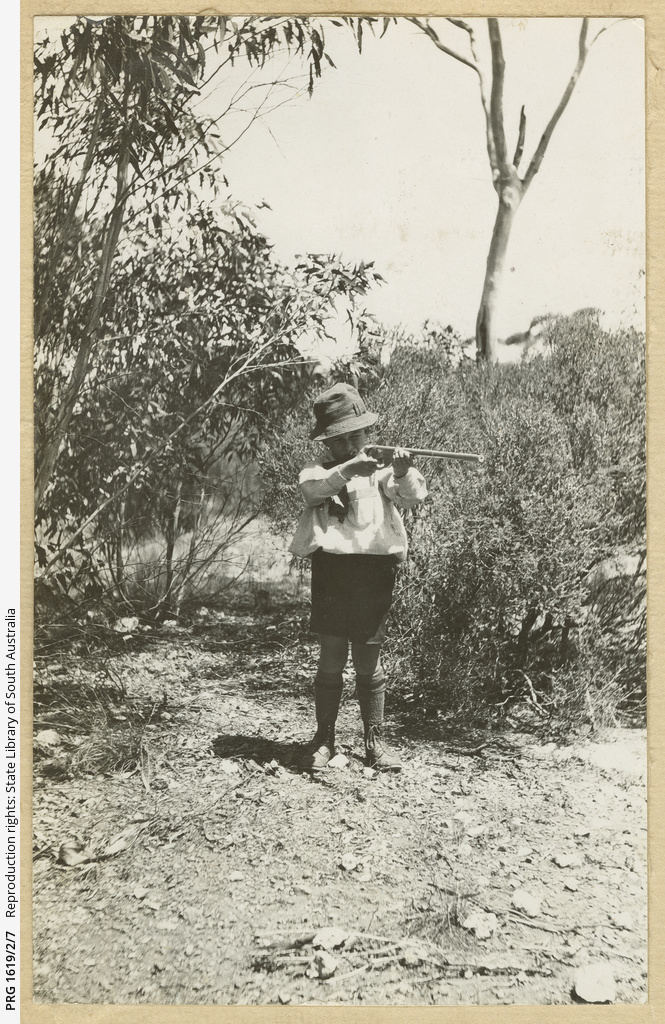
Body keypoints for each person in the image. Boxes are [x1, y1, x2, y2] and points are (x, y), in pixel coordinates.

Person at [290, 382, 427, 771]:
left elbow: (413, 493)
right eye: (340, 439)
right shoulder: (318, 471)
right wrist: (348, 469)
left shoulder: (381, 472)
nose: (350, 445)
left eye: (357, 436)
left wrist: (401, 472)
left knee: (369, 659)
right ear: (326, 444)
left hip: (373, 573)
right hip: (332, 572)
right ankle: (324, 739)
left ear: (367, 433)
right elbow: (313, 491)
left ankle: (374, 742)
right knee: (331, 656)